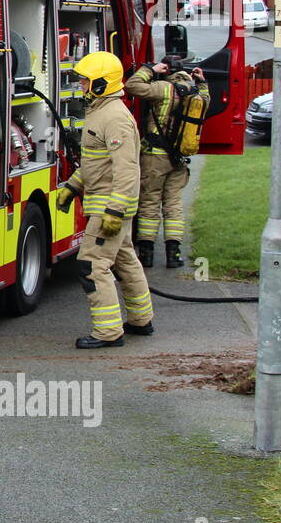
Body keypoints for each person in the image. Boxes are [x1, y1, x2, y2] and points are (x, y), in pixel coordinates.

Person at [55, 51, 154, 349]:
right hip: (105, 203)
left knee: (91, 265)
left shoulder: (114, 118)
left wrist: (115, 210)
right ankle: (141, 320)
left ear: (101, 84)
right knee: (125, 261)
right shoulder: (101, 112)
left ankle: (108, 332)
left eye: (86, 81)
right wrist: (73, 186)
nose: (81, 86)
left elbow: (127, 168)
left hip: (109, 207)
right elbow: (96, 162)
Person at [124, 59, 210, 269]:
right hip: (178, 159)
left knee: (150, 202)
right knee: (173, 205)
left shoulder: (163, 89)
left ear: (168, 71)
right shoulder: (196, 95)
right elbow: (207, 101)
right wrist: (202, 83)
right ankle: (174, 254)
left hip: (155, 156)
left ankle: (147, 254)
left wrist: (149, 70)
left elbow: (131, 86)